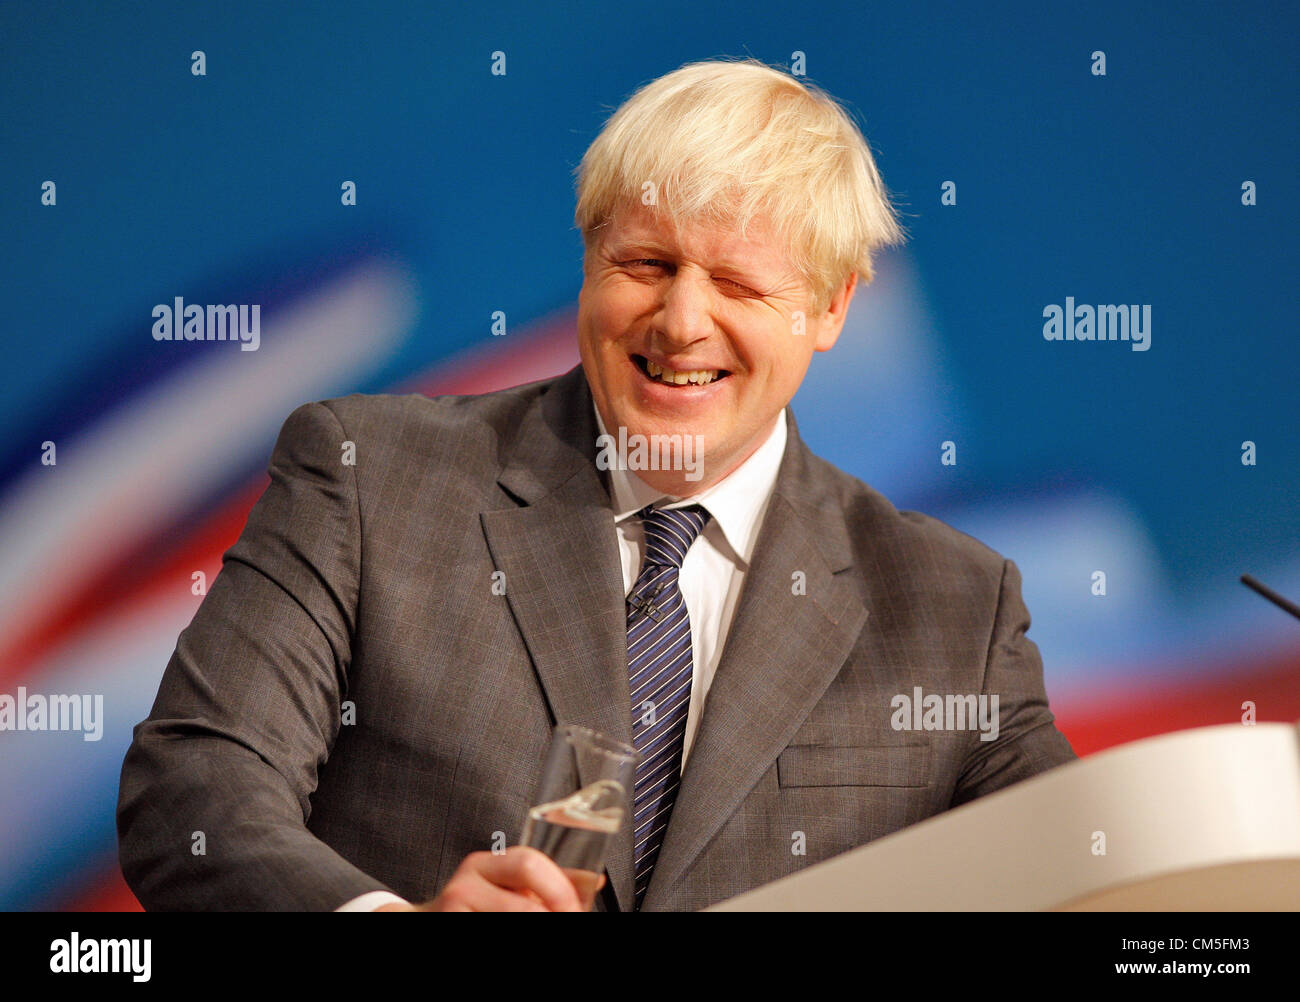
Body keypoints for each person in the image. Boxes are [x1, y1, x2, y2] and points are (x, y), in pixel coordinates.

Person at [117, 58, 1075, 913]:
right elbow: (197, 785)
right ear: (588, 259)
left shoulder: (955, 610)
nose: (681, 321)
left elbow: (1094, 868)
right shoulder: (368, 477)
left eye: (738, 285)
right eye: (645, 265)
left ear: (831, 307)